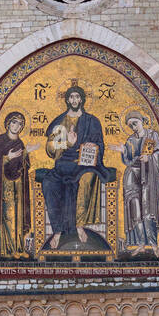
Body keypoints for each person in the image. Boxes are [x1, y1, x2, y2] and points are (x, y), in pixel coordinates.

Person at [40, 84, 113, 248]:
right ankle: (57, 231)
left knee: (86, 179)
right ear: (67, 100)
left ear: (82, 99)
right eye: (71, 97)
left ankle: (79, 226)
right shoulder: (60, 121)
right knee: (49, 183)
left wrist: (88, 148)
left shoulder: (92, 121)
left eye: (77, 97)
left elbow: (100, 145)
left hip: (84, 165)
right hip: (63, 165)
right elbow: (50, 149)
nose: (75, 100)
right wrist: (67, 143)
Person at [0, 111, 33, 258]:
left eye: (20, 124)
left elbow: (24, 165)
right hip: (4, 185)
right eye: (14, 122)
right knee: (7, 215)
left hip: (18, 184)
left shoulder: (20, 143)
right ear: (8, 123)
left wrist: (26, 153)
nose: (16, 126)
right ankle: (6, 249)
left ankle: (19, 248)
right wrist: (7, 157)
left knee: (19, 216)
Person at [119, 110, 159, 249]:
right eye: (130, 125)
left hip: (148, 175)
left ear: (142, 121)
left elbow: (158, 153)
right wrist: (123, 152)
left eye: (135, 123)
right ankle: (141, 242)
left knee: (147, 207)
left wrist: (149, 158)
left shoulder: (151, 135)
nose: (133, 127)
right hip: (132, 175)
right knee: (134, 207)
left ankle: (153, 243)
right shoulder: (130, 140)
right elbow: (128, 161)